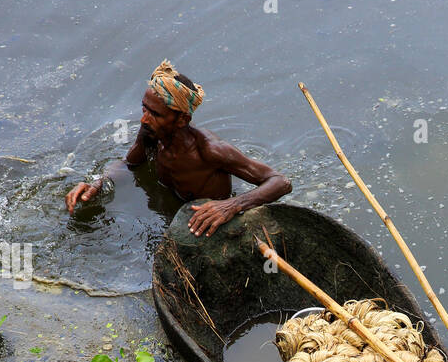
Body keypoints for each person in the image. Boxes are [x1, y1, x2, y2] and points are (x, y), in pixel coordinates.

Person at [65, 60, 291, 236]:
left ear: (182, 120)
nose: (144, 119)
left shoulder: (210, 151)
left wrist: (231, 206)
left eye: (155, 114)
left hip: (208, 226)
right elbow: (129, 165)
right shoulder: (151, 133)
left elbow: (280, 182)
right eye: (144, 109)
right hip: (169, 214)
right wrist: (99, 183)